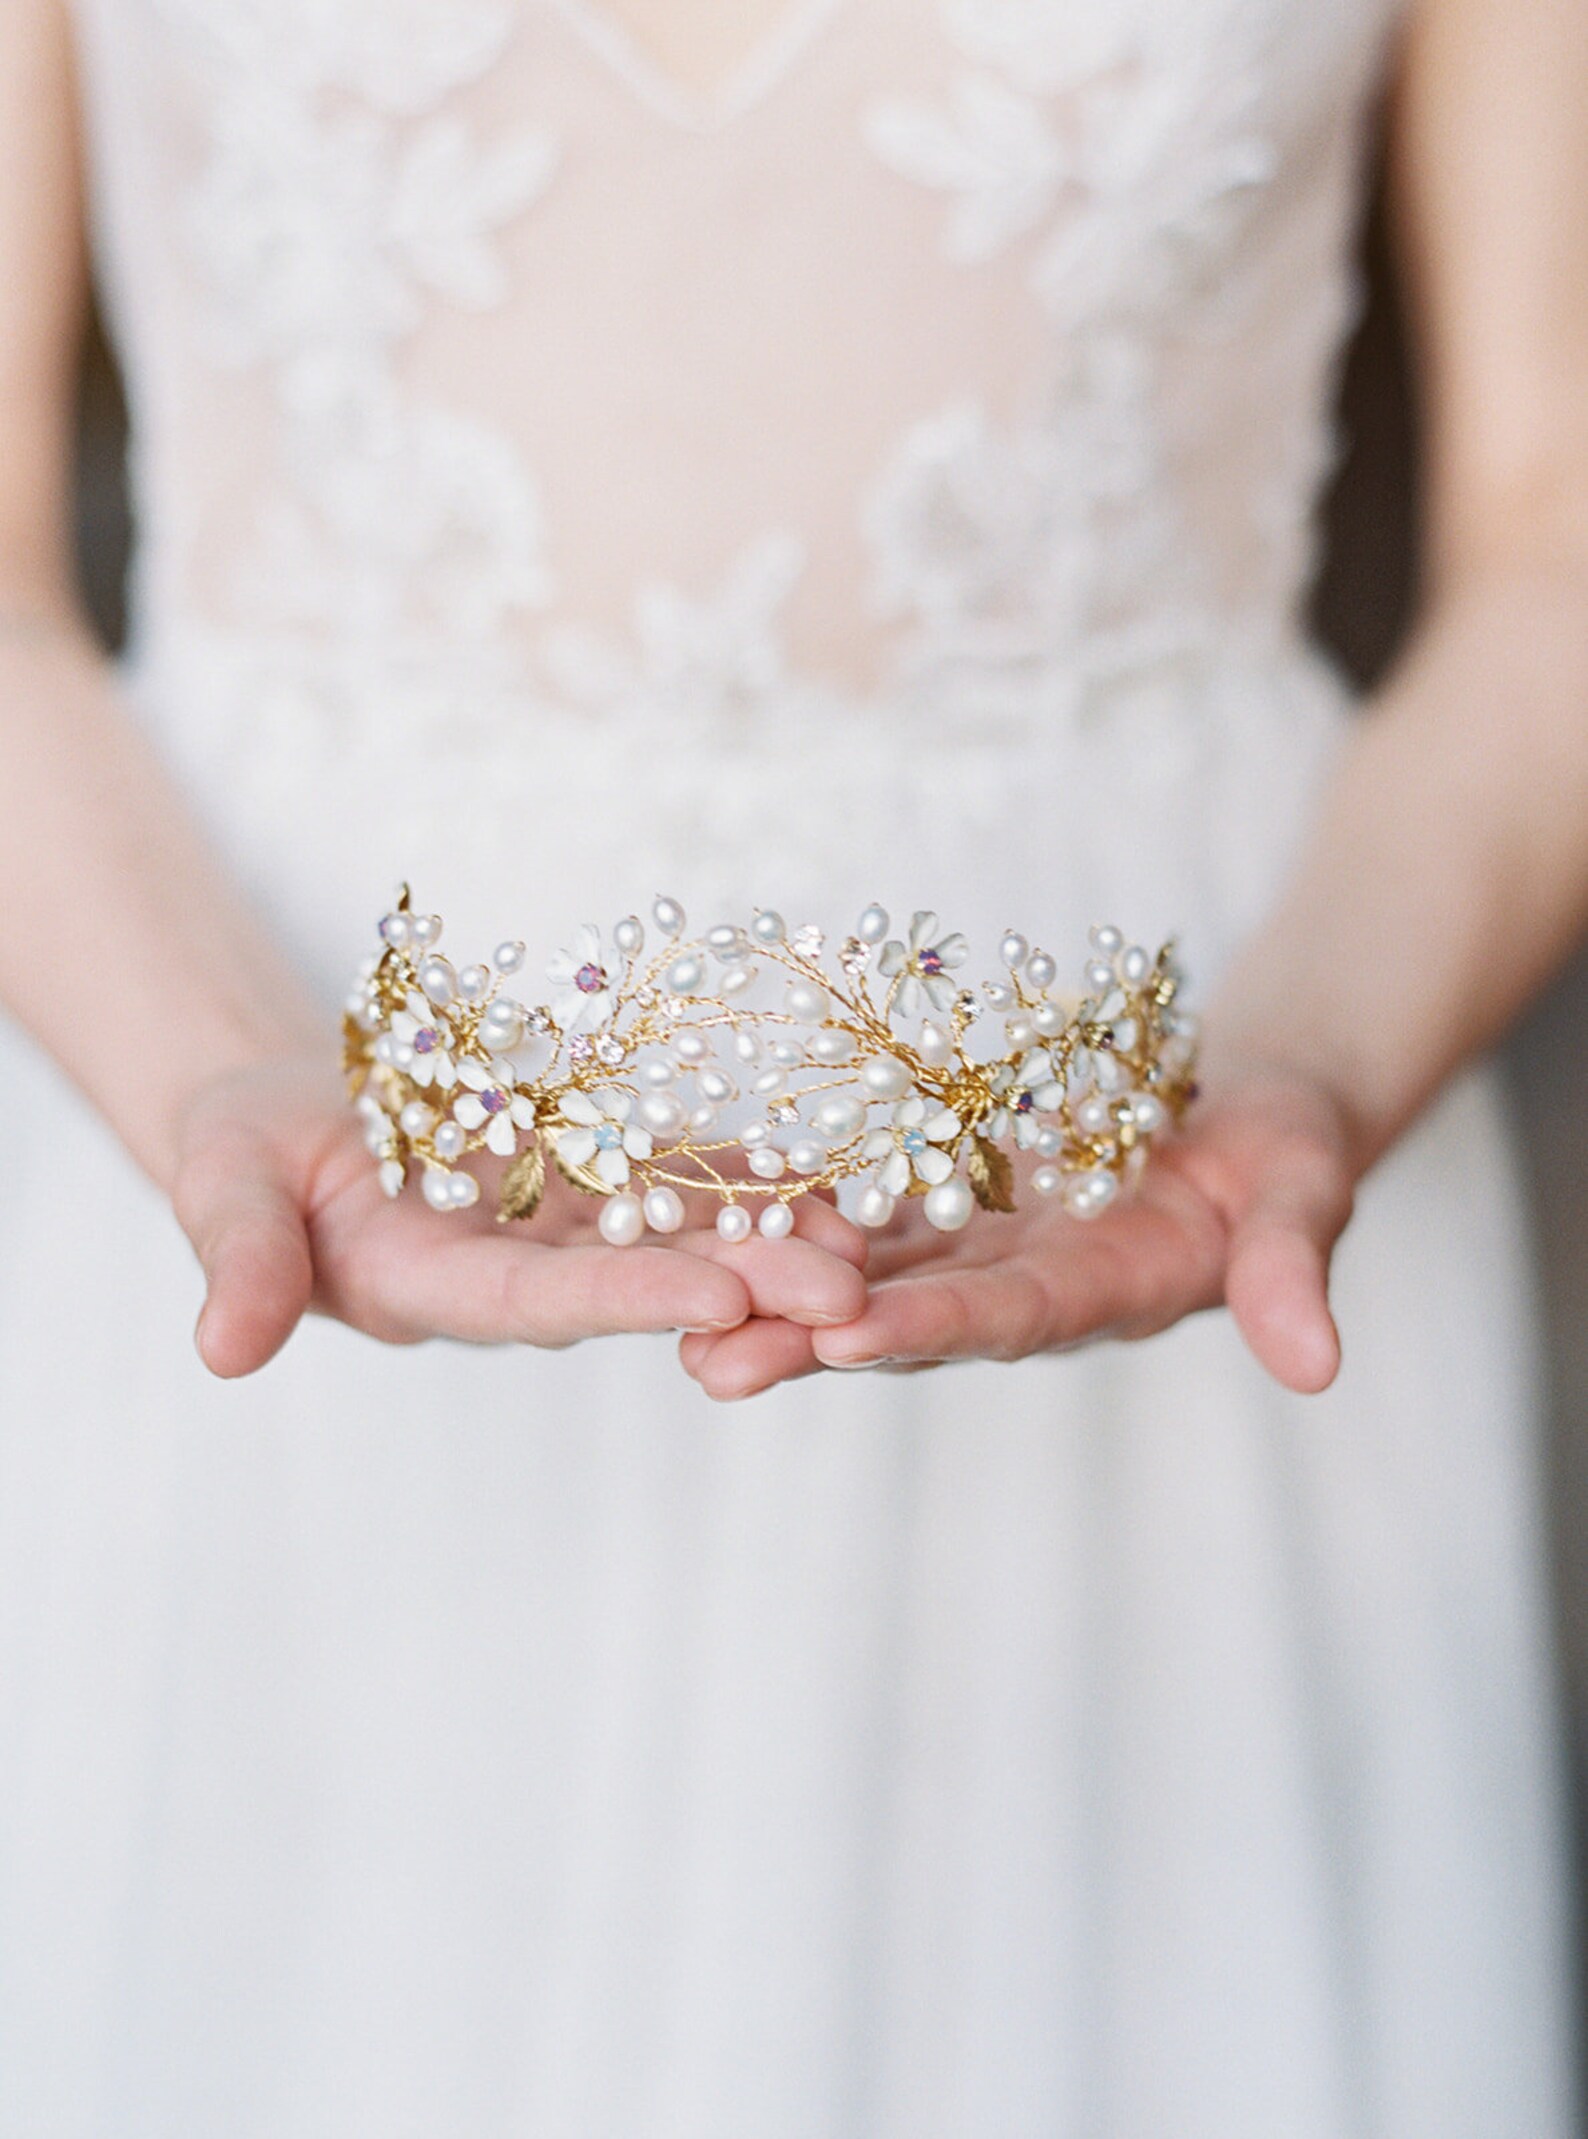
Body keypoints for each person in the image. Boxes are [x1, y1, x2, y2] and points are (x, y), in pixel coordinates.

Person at [1, 0, 1583, 2129]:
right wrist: (207, 1066)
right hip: (212, 1056)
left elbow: (1553, 552)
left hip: (1209, 1120)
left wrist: (1308, 1053)